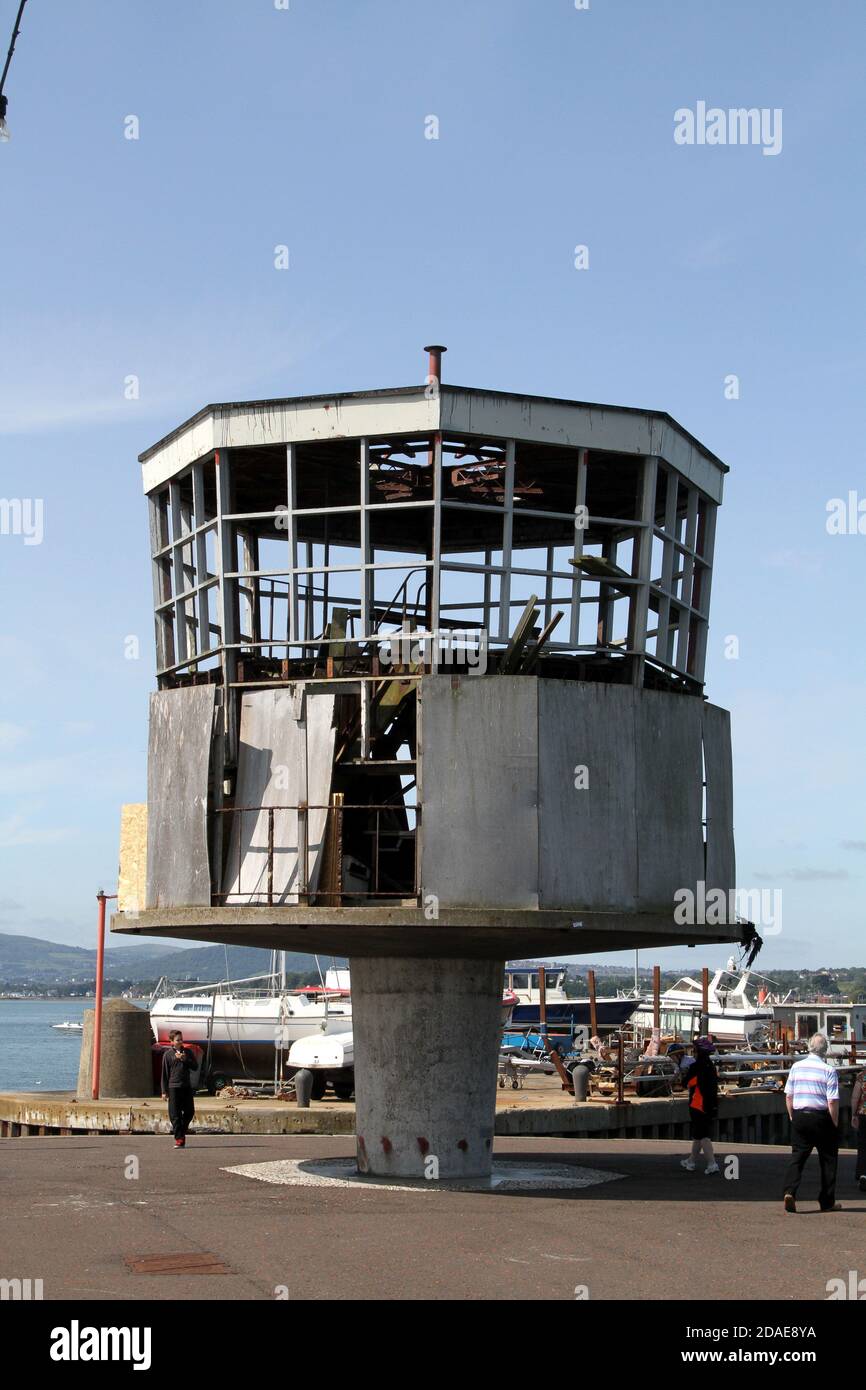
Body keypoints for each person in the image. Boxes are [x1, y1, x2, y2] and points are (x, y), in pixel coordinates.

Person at [782, 1033, 840, 1213]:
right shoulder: (829, 1070)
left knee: (798, 1156)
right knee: (828, 1159)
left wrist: (792, 1116)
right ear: (825, 1050)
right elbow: (832, 1101)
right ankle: (826, 1201)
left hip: (800, 1115)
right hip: (821, 1116)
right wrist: (834, 1122)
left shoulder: (796, 1067)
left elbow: (789, 1095)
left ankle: (790, 1191)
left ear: (809, 1047)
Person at [680, 1037, 720, 1174]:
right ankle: (691, 1161)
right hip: (710, 1104)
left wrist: (682, 1075)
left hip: (698, 1104)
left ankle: (712, 1163)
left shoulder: (695, 1067)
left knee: (703, 1135)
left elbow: (687, 1083)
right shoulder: (711, 1067)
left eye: (695, 1050)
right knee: (698, 1134)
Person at [160, 1029, 196, 1149]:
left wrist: (185, 1059)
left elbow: (195, 1067)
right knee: (174, 1114)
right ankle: (179, 1139)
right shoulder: (168, 1055)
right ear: (171, 1042)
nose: (180, 1042)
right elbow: (164, 1074)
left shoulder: (188, 1052)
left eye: (181, 1039)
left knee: (190, 1111)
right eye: (177, 1040)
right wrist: (164, 1091)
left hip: (186, 1086)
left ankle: (181, 1131)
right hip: (173, 1087)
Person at [848, 1064, 866, 1193]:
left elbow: (855, 1097)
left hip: (864, 1114)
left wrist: (853, 1114)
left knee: (863, 1146)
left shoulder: (862, 1076)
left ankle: (863, 1174)